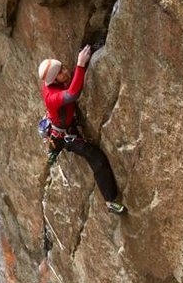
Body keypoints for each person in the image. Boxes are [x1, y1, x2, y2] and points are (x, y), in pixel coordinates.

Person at [38, 46, 126, 215]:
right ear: (54, 81)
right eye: (61, 72)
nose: (66, 71)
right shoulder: (52, 97)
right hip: (65, 135)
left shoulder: (54, 82)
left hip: (65, 124)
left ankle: (53, 152)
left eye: (63, 67)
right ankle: (110, 202)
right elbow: (72, 94)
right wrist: (80, 65)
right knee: (97, 158)